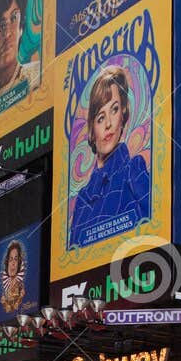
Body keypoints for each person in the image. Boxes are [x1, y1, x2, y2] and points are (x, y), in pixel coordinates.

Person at [69, 65, 152, 247]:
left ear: (123, 115)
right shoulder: (83, 200)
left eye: (114, 110)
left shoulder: (134, 170)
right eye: (100, 117)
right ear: (91, 130)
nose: (108, 124)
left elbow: (154, 233)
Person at [0, 239, 28, 314]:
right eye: (10, 259)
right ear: (7, 263)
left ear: (19, 263)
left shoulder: (20, 286)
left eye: (16, 259)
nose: (13, 263)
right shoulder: (5, 290)